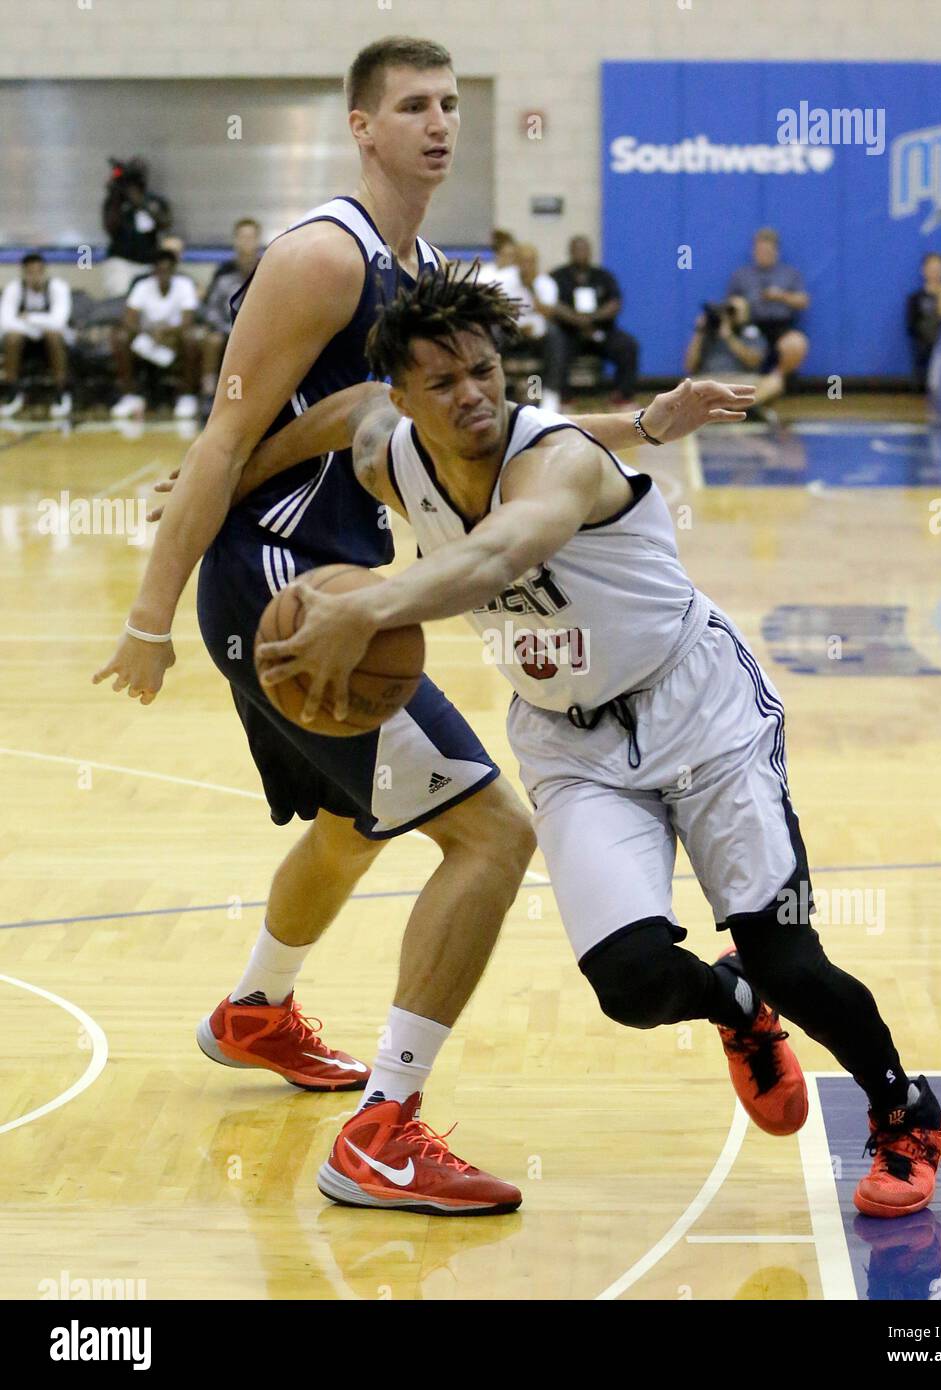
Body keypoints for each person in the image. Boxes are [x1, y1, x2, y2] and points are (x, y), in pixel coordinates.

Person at [93, 36, 751, 1217]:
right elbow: (223, 439)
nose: (438, 123)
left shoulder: (426, 265)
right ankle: (382, 1130)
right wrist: (148, 616)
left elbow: (487, 430)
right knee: (493, 834)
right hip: (290, 585)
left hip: (342, 572)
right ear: (360, 125)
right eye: (412, 106)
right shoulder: (319, 257)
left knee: (358, 820)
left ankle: (256, 1010)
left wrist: (644, 423)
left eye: (449, 103)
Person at [256, 268, 941, 1222]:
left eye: (487, 372)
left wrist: (363, 607)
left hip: (698, 711)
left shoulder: (561, 464)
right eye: (446, 383)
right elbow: (344, 415)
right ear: (406, 398)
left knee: (789, 957)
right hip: (568, 740)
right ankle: (737, 1011)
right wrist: (232, 473)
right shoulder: (391, 450)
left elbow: (498, 554)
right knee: (628, 983)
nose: (474, 396)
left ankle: (903, 1109)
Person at [546, 235, 639, 406]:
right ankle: (564, 397)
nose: (581, 253)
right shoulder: (557, 277)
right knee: (555, 346)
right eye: (577, 249)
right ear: (570, 252)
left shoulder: (603, 276)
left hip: (600, 331)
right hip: (570, 332)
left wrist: (592, 318)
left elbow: (615, 303)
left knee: (628, 345)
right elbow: (551, 304)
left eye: (585, 249)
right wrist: (576, 319)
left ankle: (622, 395)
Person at [110, 249, 200, 419]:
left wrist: (166, 332)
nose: (162, 274)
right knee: (120, 337)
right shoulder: (142, 286)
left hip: (175, 337)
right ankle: (129, 396)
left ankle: (187, 396)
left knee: (191, 338)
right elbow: (129, 319)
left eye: (167, 270)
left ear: (174, 270)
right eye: (159, 270)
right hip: (147, 337)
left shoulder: (185, 285)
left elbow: (187, 321)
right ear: (153, 271)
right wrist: (150, 332)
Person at [726, 229, 809, 391]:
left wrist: (781, 296)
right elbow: (731, 305)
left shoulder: (789, 274)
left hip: (780, 327)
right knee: (742, 343)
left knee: (796, 343)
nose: (763, 254)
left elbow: (803, 301)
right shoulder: (741, 275)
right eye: (759, 250)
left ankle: (775, 381)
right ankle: (747, 384)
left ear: (776, 251)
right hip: (751, 327)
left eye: (767, 251)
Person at [199, 218, 263, 417]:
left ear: (258, 241)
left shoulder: (269, 270)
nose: (246, 242)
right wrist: (229, 329)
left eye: (251, 237)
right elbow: (211, 309)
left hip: (261, 334)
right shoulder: (224, 274)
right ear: (235, 241)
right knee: (212, 341)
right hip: (226, 330)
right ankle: (208, 395)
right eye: (242, 237)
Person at [683, 294, 783, 419]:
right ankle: (722, 408)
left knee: (774, 381)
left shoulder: (751, 333)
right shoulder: (707, 333)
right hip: (712, 380)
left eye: (737, 310)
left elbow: (754, 362)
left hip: (743, 381)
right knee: (685, 385)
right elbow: (689, 366)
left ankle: (741, 408)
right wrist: (699, 331)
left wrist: (729, 336)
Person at [0, 252, 74, 419]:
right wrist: (36, 328)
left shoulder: (58, 287)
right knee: (12, 337)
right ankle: (12, 392)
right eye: (30, 273)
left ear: (44, 271)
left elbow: (59, 322)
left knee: (52, 334)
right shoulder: (14, 288)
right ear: (23, 273)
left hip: (55, 342)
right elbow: (5, 322)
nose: (35, 277)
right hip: (25, 342)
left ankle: (61, 392)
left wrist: (30, 318)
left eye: (38, 272)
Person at [100, 157, 173, 298]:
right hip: (121, 261)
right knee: (119, 297)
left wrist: (142, 204)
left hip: (149, 262)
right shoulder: (115, 201)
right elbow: (110, 227)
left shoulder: (154, 201)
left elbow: (166, 222)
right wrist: (117, 195)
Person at [501, 243, 561, 410]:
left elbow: (549, 313)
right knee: (491, 332)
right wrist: (515, 326)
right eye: (523, 261)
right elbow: (496, 310)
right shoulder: (504, 280)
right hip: (509, 330)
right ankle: (497, 391)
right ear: (516, 263)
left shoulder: (546, 283)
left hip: (536, 335)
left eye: (530, 262)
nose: (527, 266)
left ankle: (549, 392)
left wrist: (531, 288)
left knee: (555, 335)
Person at [906, 253, 941, 390]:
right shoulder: (915, 299)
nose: (935, 273)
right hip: (927, 359)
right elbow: (914, 329)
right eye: (931, 268)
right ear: (923, 270)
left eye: (938, 269)